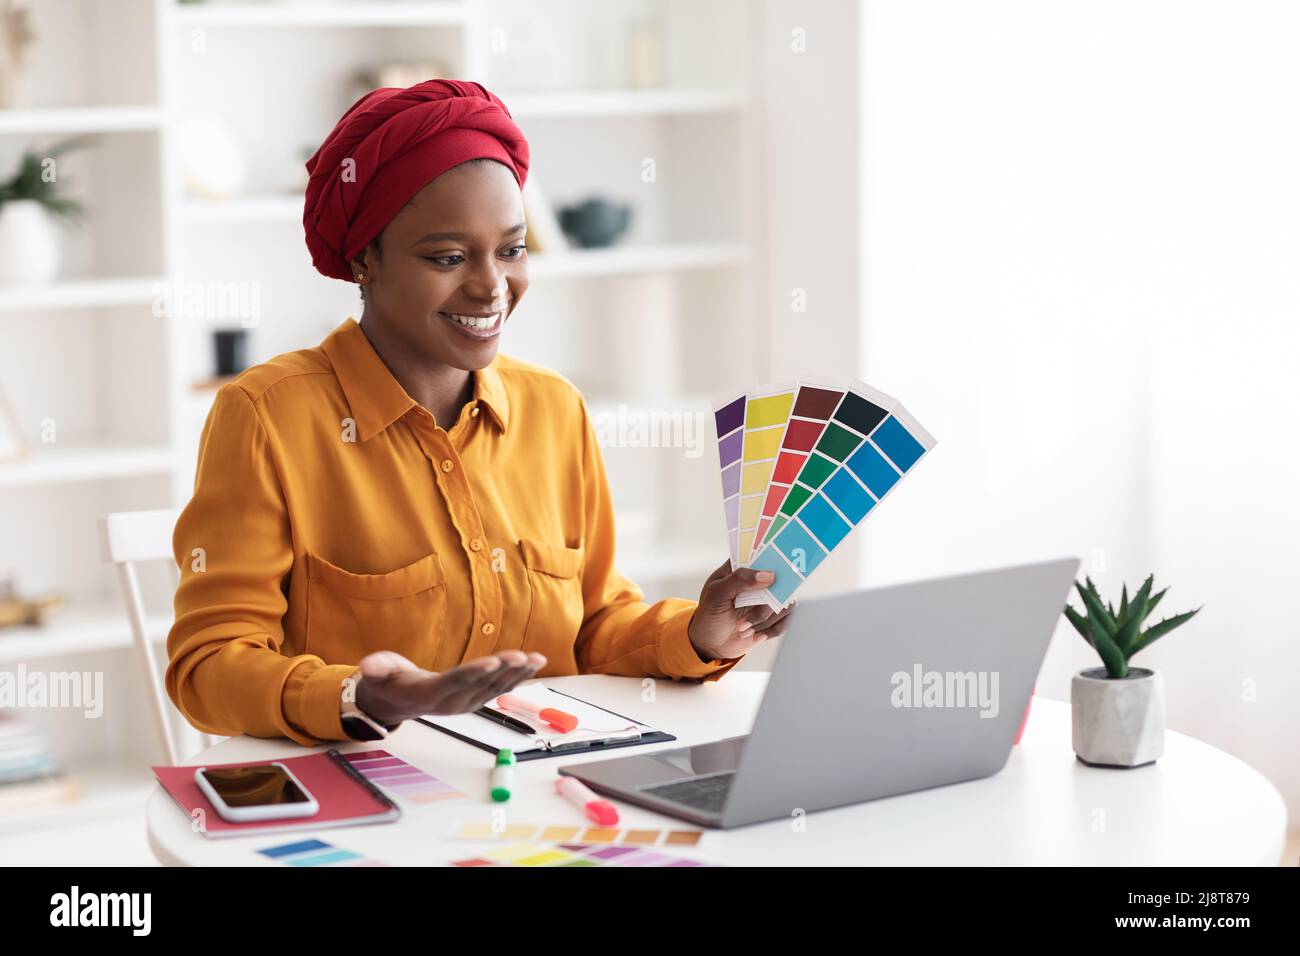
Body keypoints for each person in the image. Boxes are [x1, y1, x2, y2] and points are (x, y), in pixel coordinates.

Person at [165, 80, 794, 747]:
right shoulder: (268, 416)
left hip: (541, 790)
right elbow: (208, 667)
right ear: (364, 261)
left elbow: (596, 626)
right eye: (447, 257)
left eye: (512, 250)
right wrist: (357, 695)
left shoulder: (554, 408)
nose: (491, 286)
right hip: (369, 792)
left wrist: (698, 633)